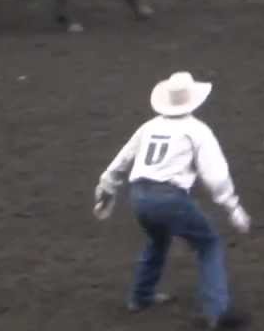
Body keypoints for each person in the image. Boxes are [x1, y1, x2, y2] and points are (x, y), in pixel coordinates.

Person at [93, 72, 251, 329]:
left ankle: (140, 297)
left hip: (139, 196)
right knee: (209, 244)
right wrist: (233, 206)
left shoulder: (149, 127)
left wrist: (106, 190)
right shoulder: (197, 130)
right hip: (169, 197)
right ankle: (216, 312)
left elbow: (120, 162)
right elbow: (216, 175)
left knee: (157, 239)